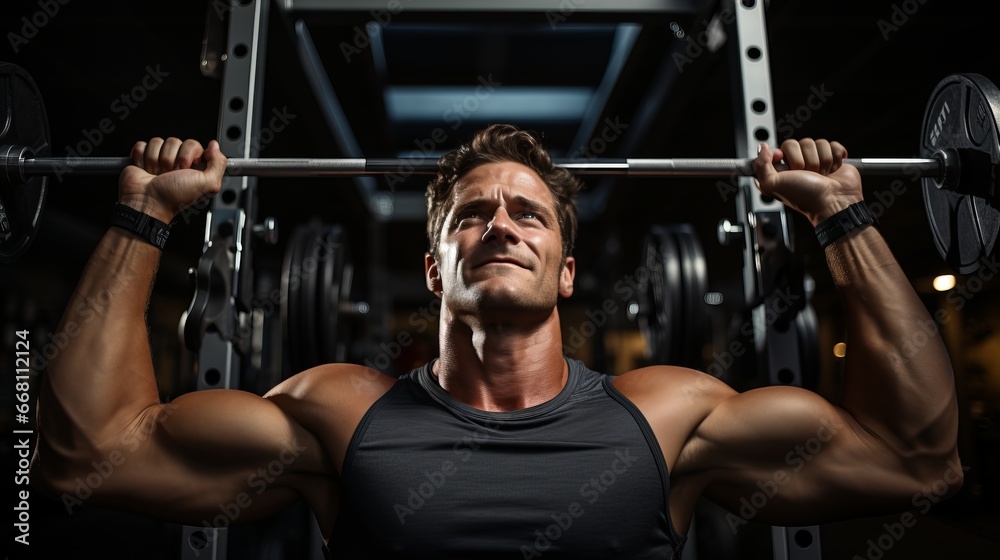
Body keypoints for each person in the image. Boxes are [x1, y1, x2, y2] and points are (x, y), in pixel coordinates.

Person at [31, 124, 962, 558]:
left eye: (529, 214)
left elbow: (918, 460)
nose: (503, 225)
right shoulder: (336, 415)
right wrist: (143, 217)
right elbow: (86, 459)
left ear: (564, 271)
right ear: (437, 269)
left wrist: (843, 216)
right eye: (472, 216)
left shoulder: (671, 416)